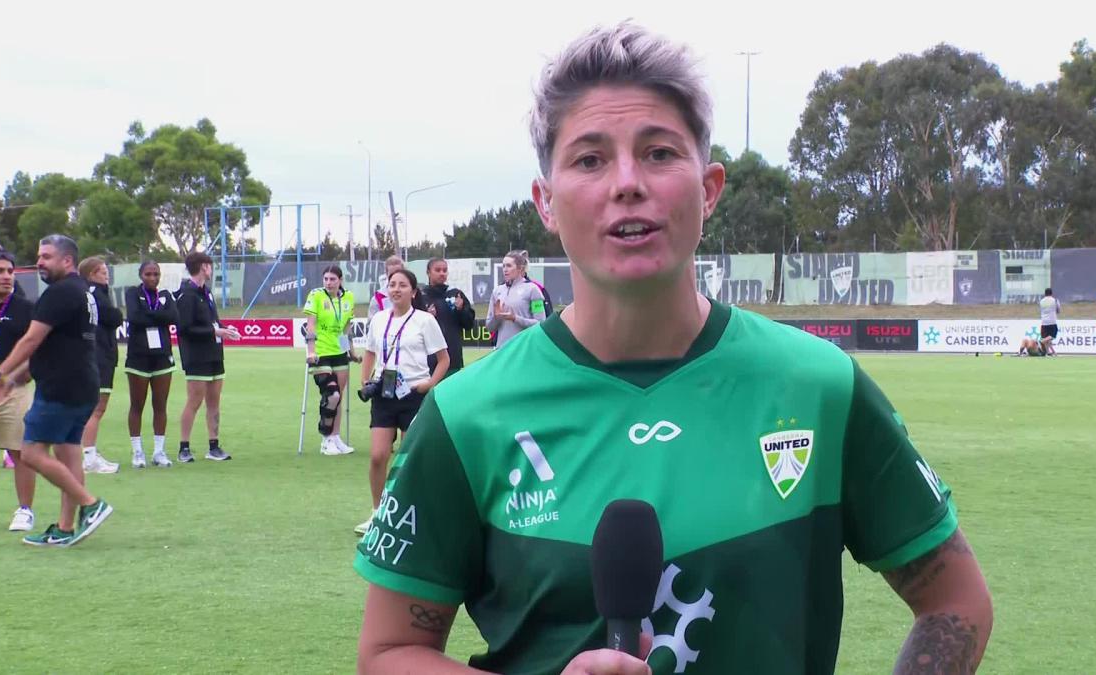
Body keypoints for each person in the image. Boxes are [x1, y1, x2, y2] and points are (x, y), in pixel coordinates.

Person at [353, 24, 992, 675]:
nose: (627, 182)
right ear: (545, 201)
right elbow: (388, 652)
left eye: (659, 153)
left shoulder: (818, 386)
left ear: (709, 189)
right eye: (590, 159)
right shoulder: (467, 416)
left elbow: (955, 601)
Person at [0, 234, 113, 547]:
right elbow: (51, 346)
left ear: (67, 260)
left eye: (46, 256)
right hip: (82, 383)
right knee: (69, 456)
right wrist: (16, 381)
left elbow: (30, 341)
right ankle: (66, 528)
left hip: (60, 386)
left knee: (30, 453)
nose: (39, 261)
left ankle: (90, 504)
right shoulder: (81, 292)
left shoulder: (59, 293)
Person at [355, 268, 448, 535]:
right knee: (377, 456)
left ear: (413, 291)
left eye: (402, 285)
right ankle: (378, 512)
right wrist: (365, 380)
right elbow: (370, 352)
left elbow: (444, 359)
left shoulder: (424, 321)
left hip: (413, 395)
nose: (396, 289)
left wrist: (430, 384)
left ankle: (411, 513)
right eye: (392, 284)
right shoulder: (379, 319)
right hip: (384, 394)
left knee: (409, 460)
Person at [0, 249, 39, 531]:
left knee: (21, 453)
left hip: (12, 389)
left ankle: (25, 510)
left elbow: (34, 353)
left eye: (9, 271)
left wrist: (3, 382)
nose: (6, 276)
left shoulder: (26, 308)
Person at [176, 251, 241, 462]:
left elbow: (213, 323)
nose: (211, 269)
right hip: (196, 356)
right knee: (194, 401)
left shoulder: (207, 292)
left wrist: (225, 329)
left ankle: (214, 446)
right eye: (210, 266)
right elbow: (184, 329)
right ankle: (183, 448)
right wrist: (215, 332)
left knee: (214, 401)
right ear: (204, 267)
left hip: (214, 354)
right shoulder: (186, 294)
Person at [125, 261, 179, 468]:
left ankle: (159, 451)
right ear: (141, 275)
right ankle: (137, 452)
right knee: (137, 405)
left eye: (156, 274)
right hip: (138, 357)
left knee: (160, 405)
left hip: (162, 357)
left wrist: (150, 315)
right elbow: (134, 317)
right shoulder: (132, 293)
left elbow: (174, 317)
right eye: (148, 274)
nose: (152, 278)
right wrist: (159, 316)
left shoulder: (165, 295)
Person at [304, 264, 360, 456]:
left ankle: (336, 437)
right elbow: (310, 326)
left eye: (332, 279)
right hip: (321, 352)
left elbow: (346, 328)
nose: (328, 283)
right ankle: (326, 437)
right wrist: (311, 351)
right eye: (326, 279)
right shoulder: (316, 296)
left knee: (339, 397)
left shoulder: (349, 298)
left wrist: (350, 352)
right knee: (332, 395)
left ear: (340, 280)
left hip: (339, 353)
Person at [77, 257, 123, 473]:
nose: (107, 276)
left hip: (99, 353)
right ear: (92, 274)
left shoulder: (94, 293)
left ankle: (90, 454)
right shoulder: (94, 294)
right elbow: (114, 317)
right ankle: (89, 458)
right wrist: (116, 314)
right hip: (99, 355)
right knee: (97, 408)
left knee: (95, 407)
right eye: (103, 272)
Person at [422, 257, 476, 376]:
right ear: (428, 272)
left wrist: (461, 309)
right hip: (427, 362)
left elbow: (469, 325)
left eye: (444, 270)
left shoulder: (456, 294)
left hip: (452, 358)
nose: (442, 273)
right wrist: (426, 317)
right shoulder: (421, 297)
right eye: (438, 270)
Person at [485, 249, 547, 349]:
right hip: (502, 351)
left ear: (520, 269)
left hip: (524, 351)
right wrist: (497, 318)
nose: (505, 269)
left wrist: (516, 319)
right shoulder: (497, 291)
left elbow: (541, 324)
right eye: (503, 266)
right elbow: (489, 327)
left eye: (509, 266)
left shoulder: (532, 289)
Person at [368, 256, 427, 324]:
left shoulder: (413, 292)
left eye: (399, 272)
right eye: (392, 274)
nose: (396, 276)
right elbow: (371, 324)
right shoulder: (378, 297)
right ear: (386, 274)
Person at [1038, 287, 1060, 357]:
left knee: (1047, 339)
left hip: (1044, 322)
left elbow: (1041, 310)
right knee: (1053, 335)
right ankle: (1042, 341)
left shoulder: (1041, 301)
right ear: (1051, 293)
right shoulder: (1055, 300)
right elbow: (1058, 310)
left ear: (1045, 294)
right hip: (1052, 321)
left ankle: (1049, 352)